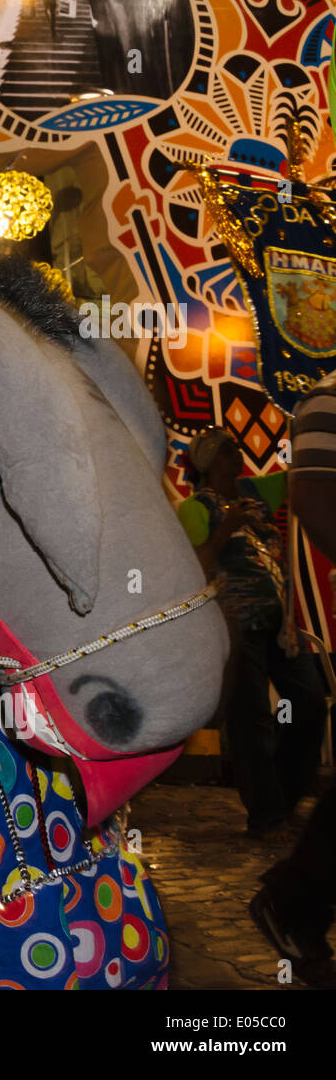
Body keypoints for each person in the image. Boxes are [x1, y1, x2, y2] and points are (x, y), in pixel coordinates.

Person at [178, 427, 326, 838]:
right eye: (226, 451)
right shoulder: (195, 508)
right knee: (252, 720)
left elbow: (303, 474)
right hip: (235, 628)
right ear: (208, 462)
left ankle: (285, 798)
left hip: (282, 628)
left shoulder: (256, 492)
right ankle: (266, 816)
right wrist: (227, 528)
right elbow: (195, 567)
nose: (236, 455)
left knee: (310, 705)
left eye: (236, 449)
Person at [251, 374, 336, 988]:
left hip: (277, 621)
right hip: (255, 621)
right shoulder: (330, 395)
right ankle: (294, 895)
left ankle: (295, 896)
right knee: (264, 716)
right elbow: (313, 499)